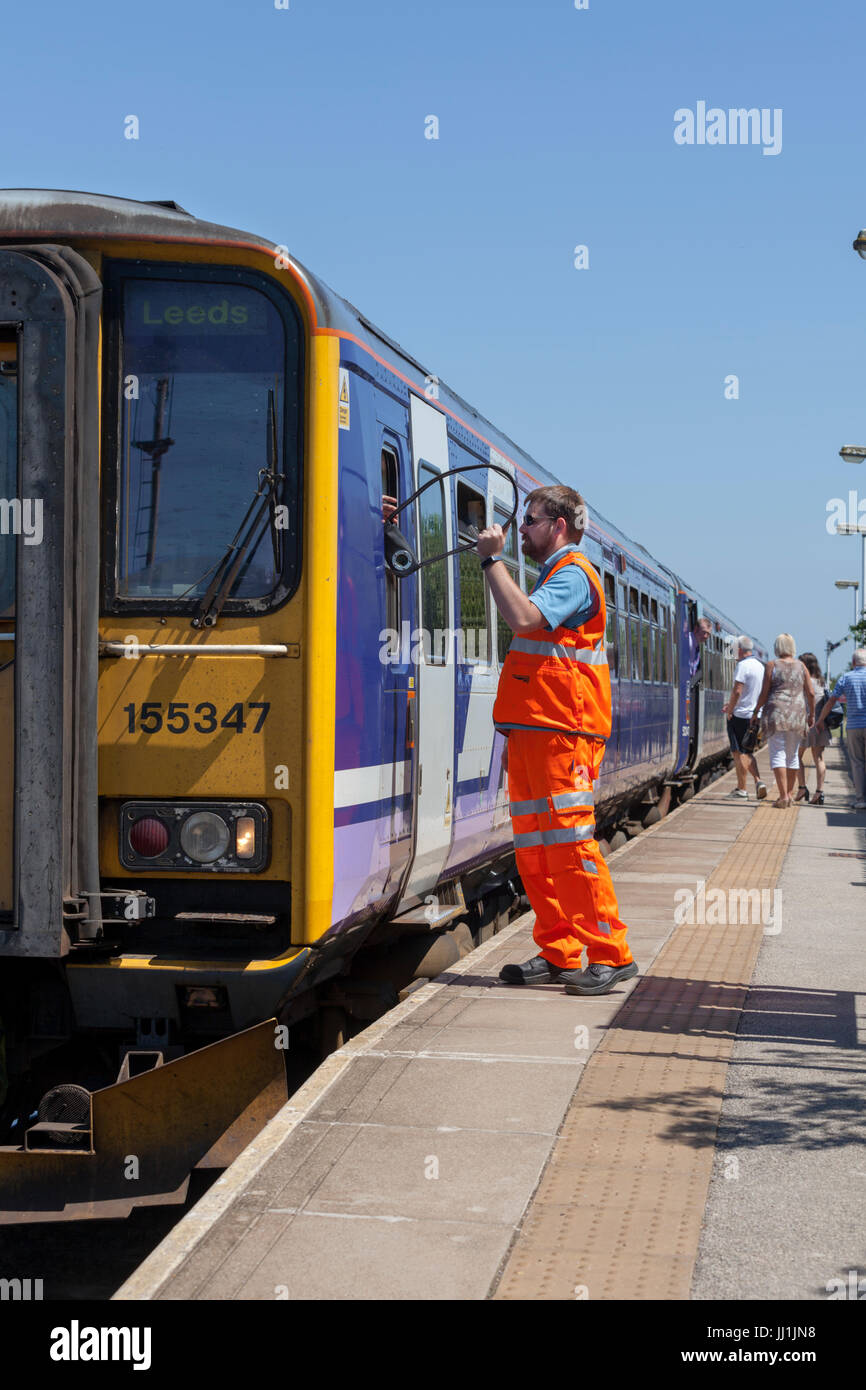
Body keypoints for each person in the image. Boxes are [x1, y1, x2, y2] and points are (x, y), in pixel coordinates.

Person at [476, 484, 637, 996]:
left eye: (531, 519)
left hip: (565, 732)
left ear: (559, 526)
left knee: (569, 844)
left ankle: (610, 953)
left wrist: (490, 562)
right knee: (535, 848)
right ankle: (560, 951)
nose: (522, 528)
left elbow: (524, 618)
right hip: (534, 730)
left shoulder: (573, 575)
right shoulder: (553, 575)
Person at [752, 634, 815, 807]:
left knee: (778, 753)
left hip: (776, 715)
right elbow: (810, 692)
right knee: (793, 754)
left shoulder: (772, 665)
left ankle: (783, 797)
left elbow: (764, 693)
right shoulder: (801, 666)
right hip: (797, 715)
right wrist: (811, 715)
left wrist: (756, 711)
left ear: (778, 647)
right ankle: (788, 794)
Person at [814, 647, 866, 810]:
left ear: (853, 663)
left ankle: (860, 799)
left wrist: (821, 719)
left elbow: (831, 700)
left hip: (853, 726)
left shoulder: (846, 677)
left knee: (857, 762)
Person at [722, 635, 767, 800]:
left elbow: (738, 691)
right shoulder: (759, 666)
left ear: (739, 649)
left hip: (740, 715)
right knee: (747, 751)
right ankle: (759, 782)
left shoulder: (742, 666)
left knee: (738, 752)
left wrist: (730, 710)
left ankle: (742, 789)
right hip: (755, 715)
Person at [794, 652, 829, 805]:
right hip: (821, 725)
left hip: (805, 724)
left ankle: (802, 787)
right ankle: (820, 793)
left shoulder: (804, 683)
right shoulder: (823, 682)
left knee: (795, 756)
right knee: (819, 759)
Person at [688, 617, 712, 681]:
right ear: (696, 629)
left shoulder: (696, 645)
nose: (706, 636)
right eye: (704, 632)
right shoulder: (688, 642)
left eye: (708, 634)